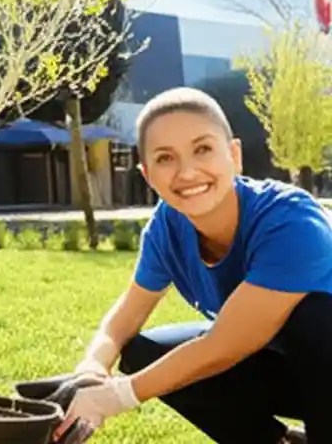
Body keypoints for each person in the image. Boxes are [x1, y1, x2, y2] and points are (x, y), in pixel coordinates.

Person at [42, 87, 330, 444]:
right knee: (143, 350)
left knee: (315, 317)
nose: (187, 172)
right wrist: (93, 366)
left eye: (203, 149)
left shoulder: (290, 220)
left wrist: (117, 396)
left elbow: (228, 344)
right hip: (288, 368)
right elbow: (126, 316)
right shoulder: (168, 226)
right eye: (165, 158)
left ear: (234, 155)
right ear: (147, 175)